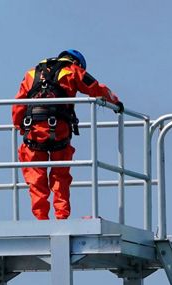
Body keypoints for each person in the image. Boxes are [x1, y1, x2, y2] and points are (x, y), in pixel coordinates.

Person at [11, 50, 123, 220]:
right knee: (60, 177)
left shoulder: (32, 73)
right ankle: (61, 218)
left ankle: (41, 220)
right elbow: (95, 88)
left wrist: (21, 127)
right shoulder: (72, 70)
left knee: (35, 180)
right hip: (59, 134)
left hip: (33, 135)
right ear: (77, 63)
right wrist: (115, 101)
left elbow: (18, 106)